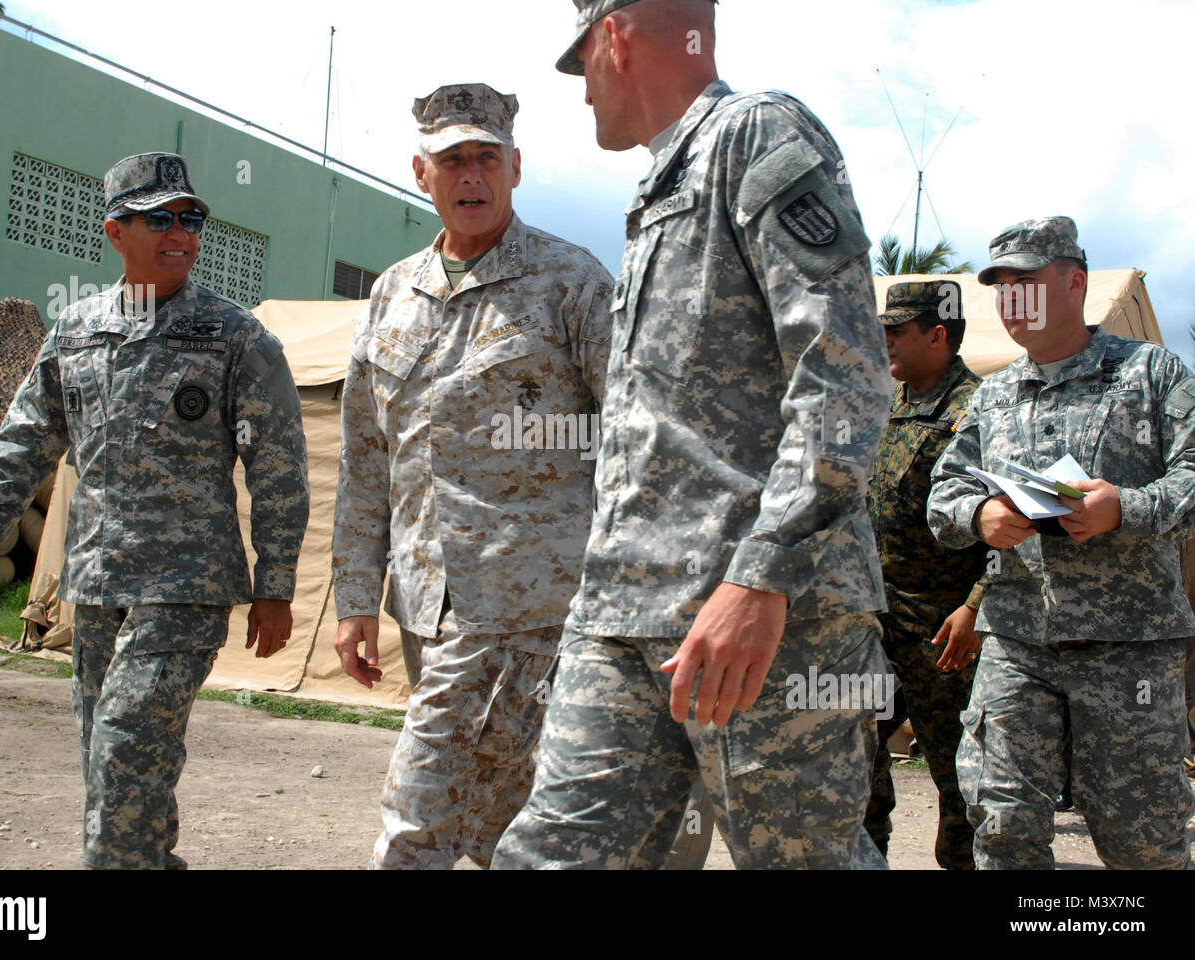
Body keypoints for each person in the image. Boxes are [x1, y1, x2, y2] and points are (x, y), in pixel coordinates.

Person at [493, 0, 893, 869]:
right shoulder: (660, 186)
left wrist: (763, 575)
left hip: (761, 620)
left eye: (582, 63)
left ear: (614, 37)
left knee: (802, 861)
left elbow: (845, 372)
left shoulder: (757, 135)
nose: (584, 90)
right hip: (624, 610)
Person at [0, 152, 310, 870]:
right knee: (109, 771)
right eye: (160, 219)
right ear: (116, 231)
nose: (181, 233)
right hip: (97, 582)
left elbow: (278, 466)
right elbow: (23, 442)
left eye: (191, 219)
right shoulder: (75, 331)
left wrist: (276, 584)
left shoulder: (234, 337)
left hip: (186, 588)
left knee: (123, 752)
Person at [331, 83, 614, 869]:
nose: (471, 176)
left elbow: (634, 436)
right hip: (428, 605)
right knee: (502, 822)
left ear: (515, 167)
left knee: (420, 820)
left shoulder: (573, 282)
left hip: (539, 611)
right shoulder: (391, 294)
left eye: (485, 158)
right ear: (421, 174)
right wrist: (356, 596)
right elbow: (365, 464)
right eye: (451, 159)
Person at [928, 216, 1195, 869]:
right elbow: (943, 495)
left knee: (1144, 841)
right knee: (1002, 826)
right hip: (1017, 645)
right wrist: (981, 516)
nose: (1012, 301)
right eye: (1001, 288)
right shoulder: (993, 396)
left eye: (1027, 283)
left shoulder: (1151, 374)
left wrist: (1124, 507)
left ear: (1075, 284)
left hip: (1128, 649)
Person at [863, 280, 990, 870]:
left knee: (960, 772)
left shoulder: (982, 409)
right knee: (858, 758)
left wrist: (975, 608)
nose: (883, 340)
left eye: (896, 331)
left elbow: (1015, 525)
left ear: (937, 335)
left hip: (944, 629)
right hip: (872, 621)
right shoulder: (881, 402)